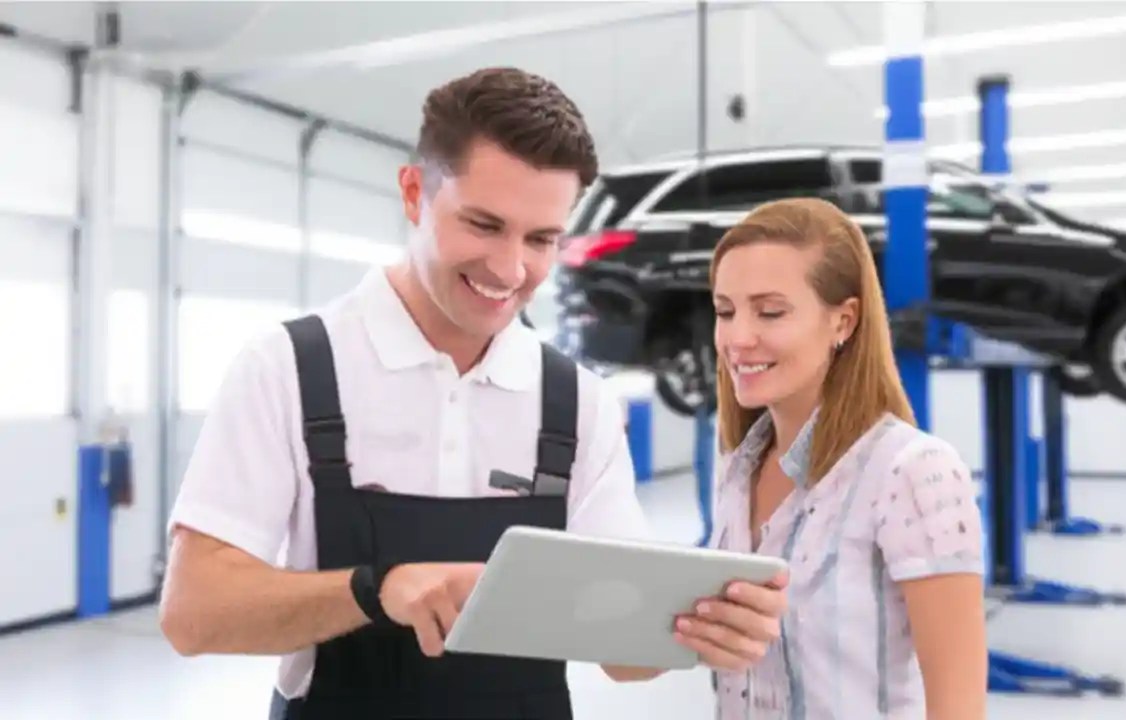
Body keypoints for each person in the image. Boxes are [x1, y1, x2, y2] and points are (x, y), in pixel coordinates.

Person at [158, 67, 788, 719]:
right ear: (414, 194)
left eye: (541, 239)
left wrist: (706, 625)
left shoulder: (578, 402)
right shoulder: (287, 369)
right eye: (484, 225)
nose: (511, 269)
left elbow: (625, 657)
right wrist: (376, 591)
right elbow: (193, 613)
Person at [706, 198, 988, 719]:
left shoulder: (913, 471)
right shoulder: (736, 466)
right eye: (725, 311)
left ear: (844, 320)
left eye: (770, 312)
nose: (738, 338)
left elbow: (960, 708)